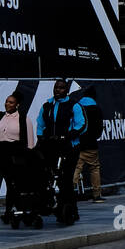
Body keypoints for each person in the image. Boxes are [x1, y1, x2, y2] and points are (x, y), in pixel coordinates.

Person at [37, 79, 83, 225]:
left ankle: (71, 210)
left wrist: (69, 136)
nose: (58, 90)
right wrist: (41, 138)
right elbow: (40, 124)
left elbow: (81, 124)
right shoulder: (47, 105)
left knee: (65, 180)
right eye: (56, 87)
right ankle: (52, 205)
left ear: (66, 90)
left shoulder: (73, 105)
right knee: (49, 177)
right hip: (51, 146)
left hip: (68, 147)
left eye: (61, 88)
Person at [0, 92, 36, 222]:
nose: (7, 104)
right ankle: (12, 210)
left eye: (11, 102)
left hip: (17, 155)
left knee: (14, 183)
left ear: (17, 105)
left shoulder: (23, 118)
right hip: (2, 154)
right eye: (6, 101)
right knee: (10, 182)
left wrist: (29, 157)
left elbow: (30, 141)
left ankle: (13, 210)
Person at [70, 85, 105, 203]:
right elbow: (99, 128)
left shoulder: (77, 107)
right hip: (91, 144)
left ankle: (68, 195)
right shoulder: (97, 109)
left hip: (77, 143)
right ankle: (97, 195)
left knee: (76, 168)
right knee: (94, 168)